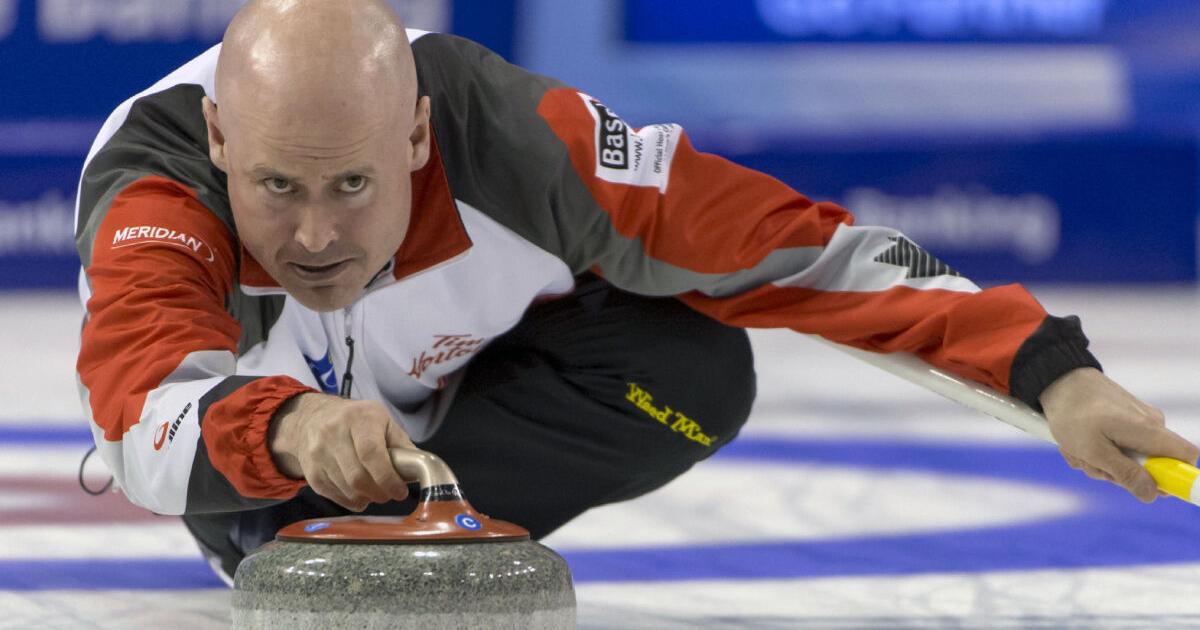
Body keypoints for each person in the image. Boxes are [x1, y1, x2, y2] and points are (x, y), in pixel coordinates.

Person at [73, 0, 1197, 583]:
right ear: (220, 137)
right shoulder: (152, 181)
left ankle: (392, 524)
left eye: (354, 184)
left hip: (467, 398)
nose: (314, 235)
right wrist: (295, 425)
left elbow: (809, 255)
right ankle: (282, 534)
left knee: (696, 371)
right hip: (260, 463)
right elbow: (140, 423)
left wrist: (1053, 373)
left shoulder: (533, 144)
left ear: (419, 130)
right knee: (203, 465)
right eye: (275, 186)